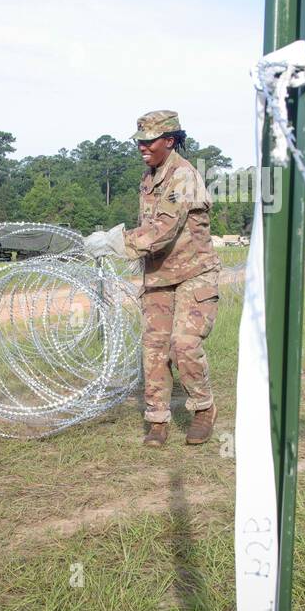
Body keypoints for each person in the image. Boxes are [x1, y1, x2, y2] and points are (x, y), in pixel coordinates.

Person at [83, 111, 221, 447]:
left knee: (184, 345)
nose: (143, 147)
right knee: (155, 349)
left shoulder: (184, 177)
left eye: (150, 141)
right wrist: (136, 259)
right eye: (140, 142)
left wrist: (115, 242)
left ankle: (203, 409)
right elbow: (151, 230)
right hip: (159, 276)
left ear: (170, 140)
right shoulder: (149, 179)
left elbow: (162, 231)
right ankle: (157, 420)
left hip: (194, 274)